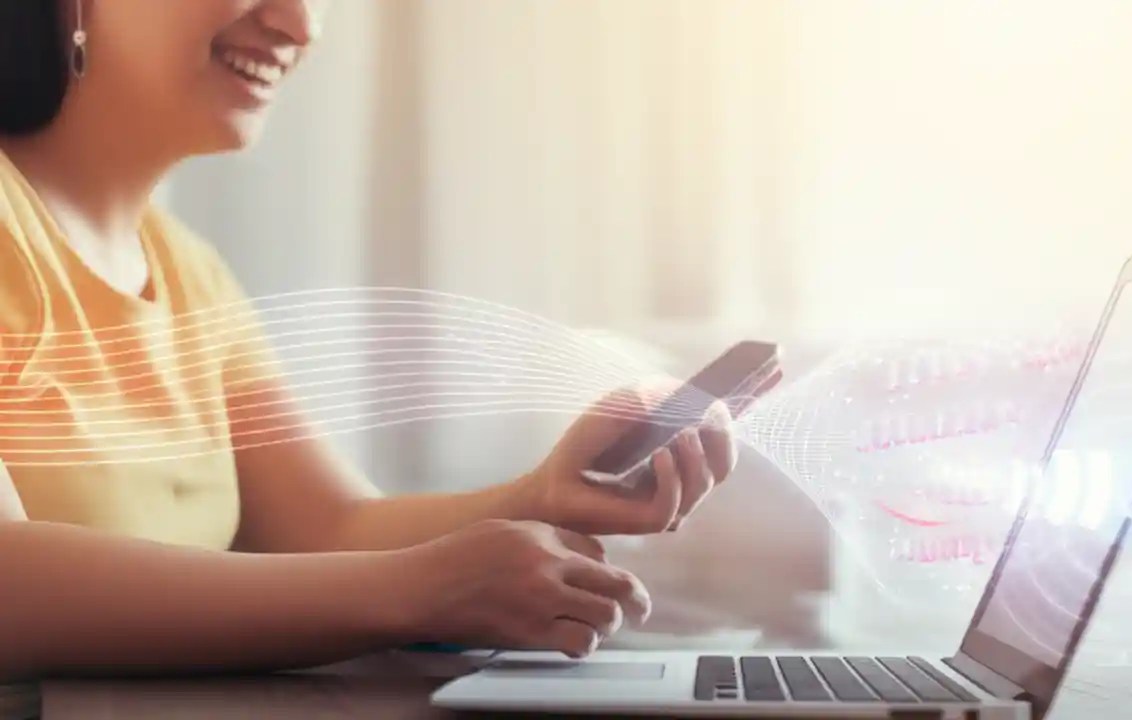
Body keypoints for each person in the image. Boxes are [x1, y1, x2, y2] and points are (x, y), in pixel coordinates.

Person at [0, 0, 737, 687]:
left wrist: (539, 494)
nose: (300, 23)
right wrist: (421, 590)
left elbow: (330, 528)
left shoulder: (189, 270)